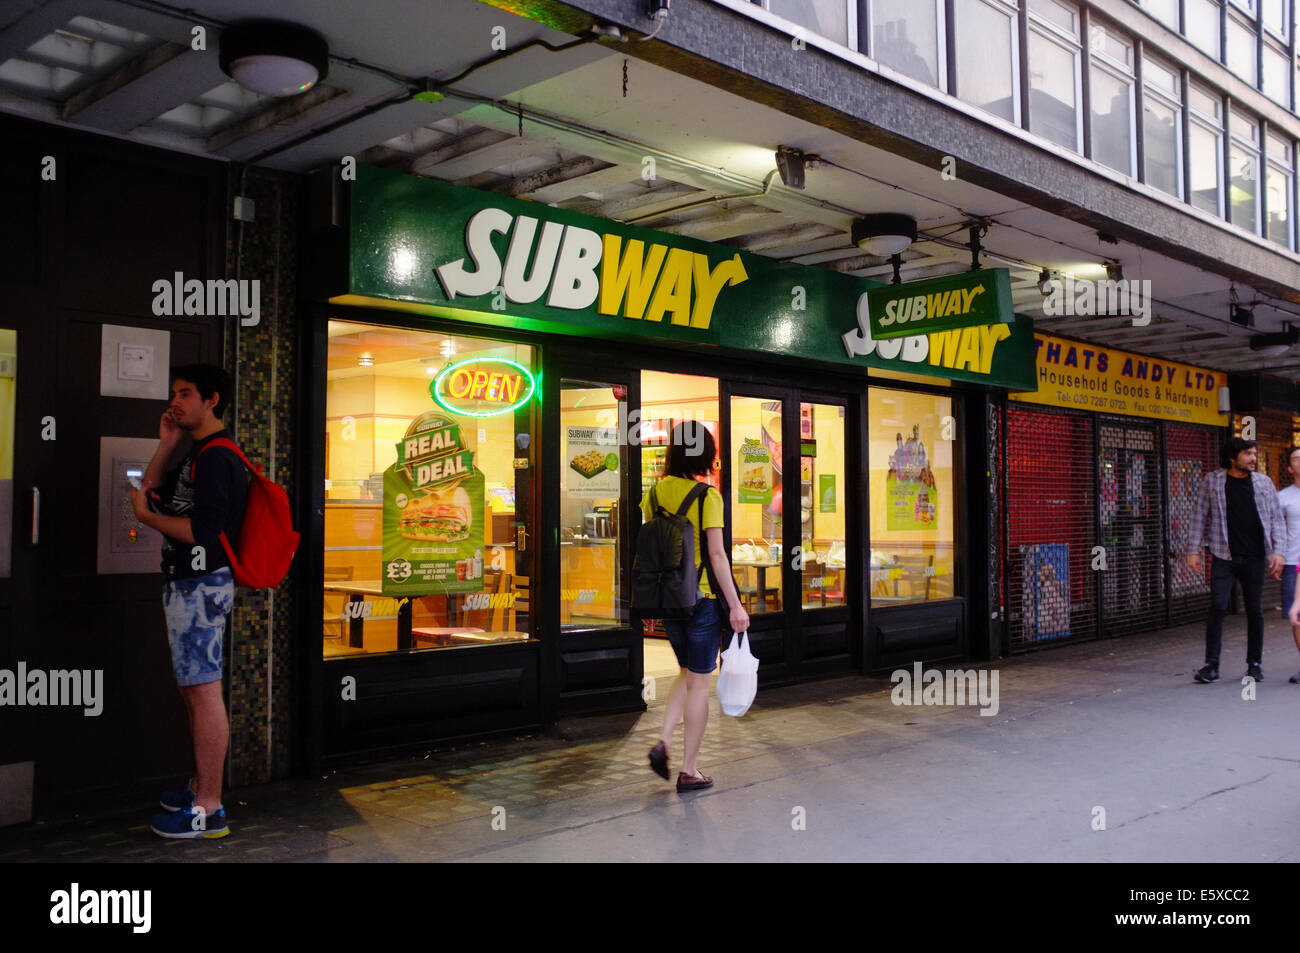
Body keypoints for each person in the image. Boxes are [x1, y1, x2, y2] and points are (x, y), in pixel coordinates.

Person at [130, 364, 249, 838]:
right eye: (174, 393)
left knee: (203, 692)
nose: (175, 401)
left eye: (185, 394)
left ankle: (209, 807)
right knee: (193, 689)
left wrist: (146, 519)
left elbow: (203, 533)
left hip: (201, 584)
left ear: (212, 400)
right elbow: (153, 491)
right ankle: (201, 787)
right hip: (187, 584)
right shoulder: (196, 450)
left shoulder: (219, 457)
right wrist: (167, 440)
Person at [645, 422, 749, 793]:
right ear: (705, 454)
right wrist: (736, 606)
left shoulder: (655, 493)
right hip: (702, 600)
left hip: (670, 600)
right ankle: (689, 770)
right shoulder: (709, 497)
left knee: (686, 672)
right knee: (700, 684)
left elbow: (656, 550)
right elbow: (717, 556)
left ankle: (665, 743)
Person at [1188, 437, 1286, 684]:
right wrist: (1193, 550)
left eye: (1254, 453)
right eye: (1248, 454)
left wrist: (1279, 552)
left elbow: (1276, 519)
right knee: (1217, 607)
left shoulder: (1263, 483)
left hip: (1254, 557)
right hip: (1223, 555)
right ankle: (1211, 665)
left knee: (1254, 611)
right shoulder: (1213, 481)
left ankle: (1254, 664)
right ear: (1233, 458)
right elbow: (1199, 516)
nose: (1253, 458)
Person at [1278, 447, 1300, 682]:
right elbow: (1275, 529)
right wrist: (1277, 556)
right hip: (1293, 561)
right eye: (1296, 458)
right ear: (1289, 468)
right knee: (1297, 616)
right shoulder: (1283, 497)